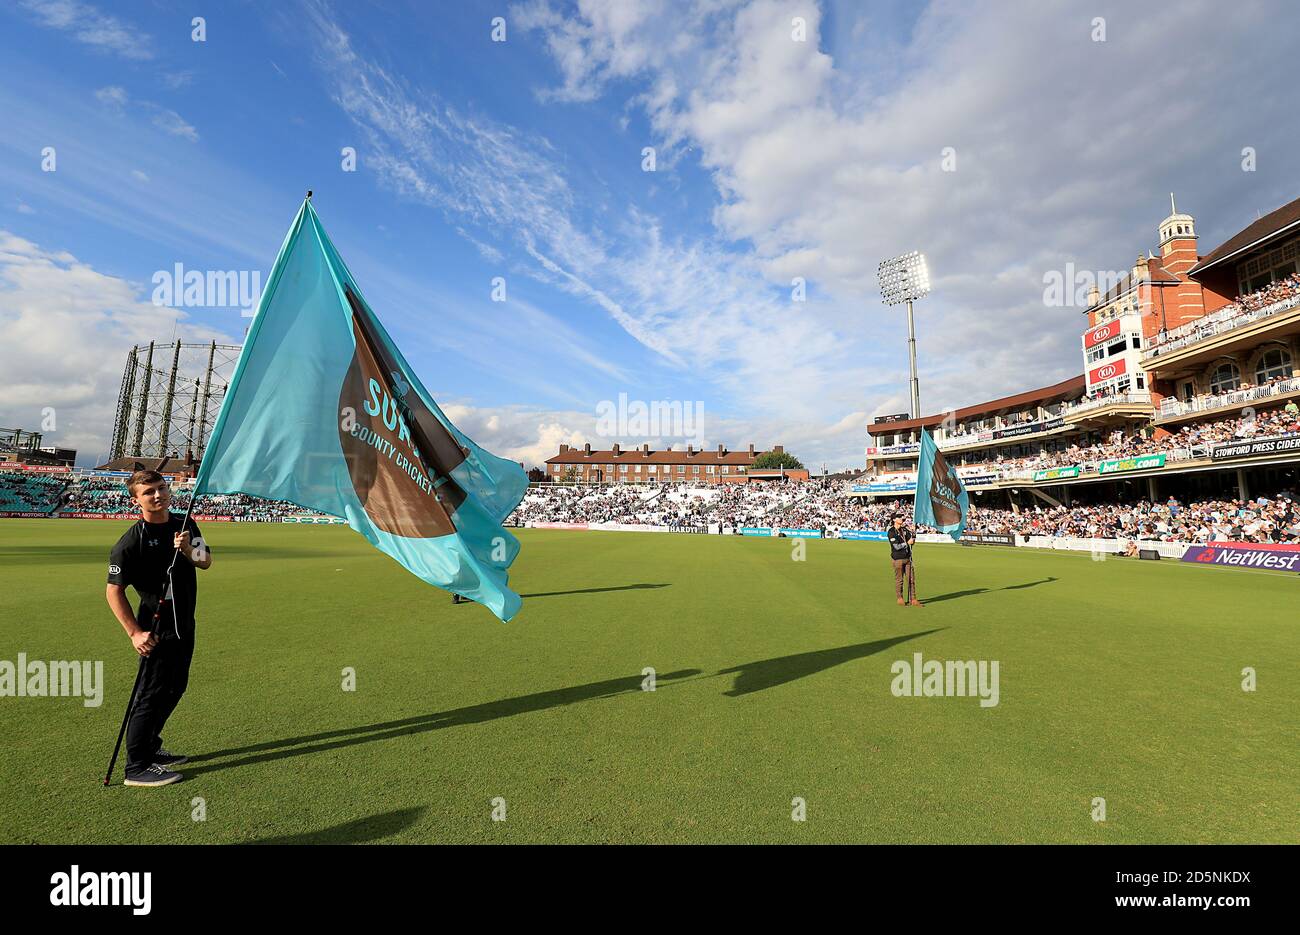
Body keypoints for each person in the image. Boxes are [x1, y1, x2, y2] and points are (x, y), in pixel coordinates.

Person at [105, 470, 212, 787]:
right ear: (135, 499)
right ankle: (136, 766)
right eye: (149, 491)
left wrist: (188, 551)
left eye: (162, 488)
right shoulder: (129, 543)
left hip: (184, 626)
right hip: (155, 630)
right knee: (150, 695)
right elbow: (113, 591)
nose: (158, 495)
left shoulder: (185, 523)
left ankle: (151, 748)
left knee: (176, 687)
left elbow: (206, 561)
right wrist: (134, 633)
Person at [887, 513, 922, 607]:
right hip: (897, 559)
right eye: (899, 517)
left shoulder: (904, 530)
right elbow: (896, 546)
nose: (901, 518)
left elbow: (912, 541)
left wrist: (914, 534)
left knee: (911, 579)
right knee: (899, 580)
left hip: (908, 558)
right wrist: (907, 543)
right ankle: (900, 598)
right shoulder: (891, 532)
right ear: (894, 519)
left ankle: (913, 599)